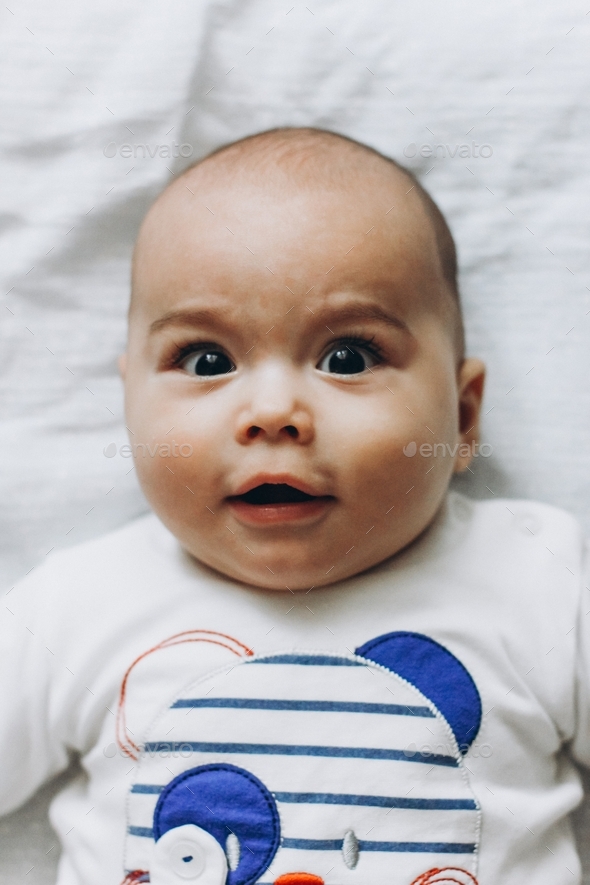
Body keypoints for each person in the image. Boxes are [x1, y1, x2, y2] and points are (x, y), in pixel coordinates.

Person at [1, 128, 588, 885]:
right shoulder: (76, 606)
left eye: (348, 357)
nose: (273, 410)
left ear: (463, 416)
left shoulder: (540, 579)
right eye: (206, 360)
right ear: (129, 404)